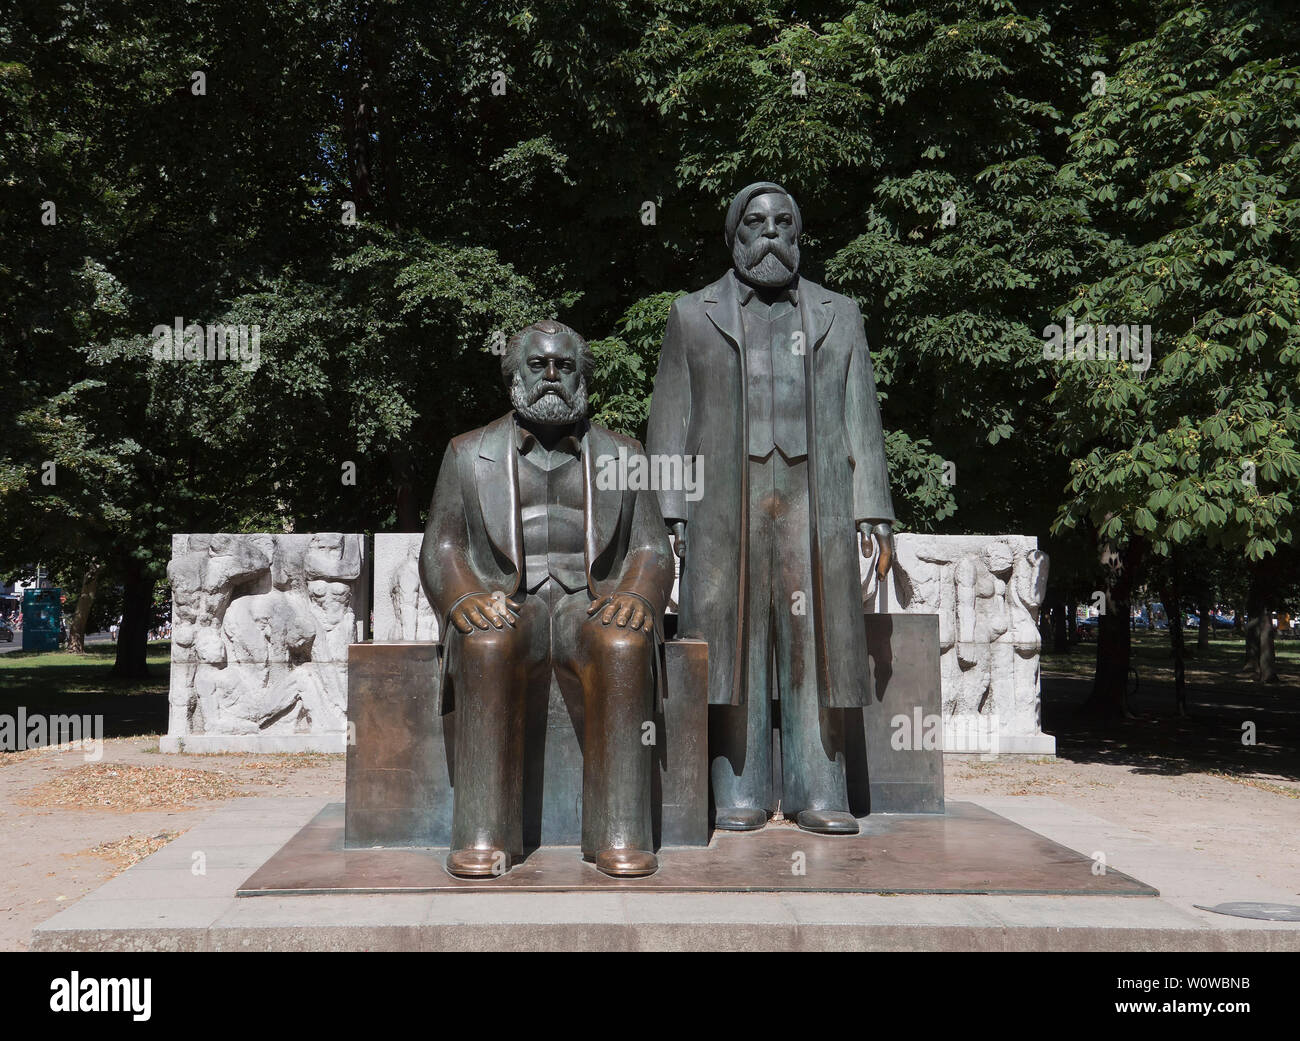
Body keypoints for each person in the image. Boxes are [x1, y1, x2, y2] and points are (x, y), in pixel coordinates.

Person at [646, 182, 895, 835]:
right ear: (733, 236)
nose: (771, 234)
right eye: (755, 223)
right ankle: (739, 788)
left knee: (819, 642)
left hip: (819, 498)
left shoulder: (840, 313)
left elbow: (861, 412)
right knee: (734, 639)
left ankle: (820, 790)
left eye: (784, 222)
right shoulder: (691, 314)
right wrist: (669, 511)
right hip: (726, 501)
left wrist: (873, 506)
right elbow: (671, 414)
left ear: (799, 234)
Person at [420, 320, 674, 878]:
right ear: (515, 373)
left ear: (583, 376)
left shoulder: (627, 454)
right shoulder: (467, 454)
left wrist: (637, 595)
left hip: (591, 600)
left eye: (565, 366)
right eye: (539, 365)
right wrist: (462, 597)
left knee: (623, 644)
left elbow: (653, 548)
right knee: (485, 645)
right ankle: (484, 834)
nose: (552, 376)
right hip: (510, 603)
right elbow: (441, 546)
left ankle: (620, 834)